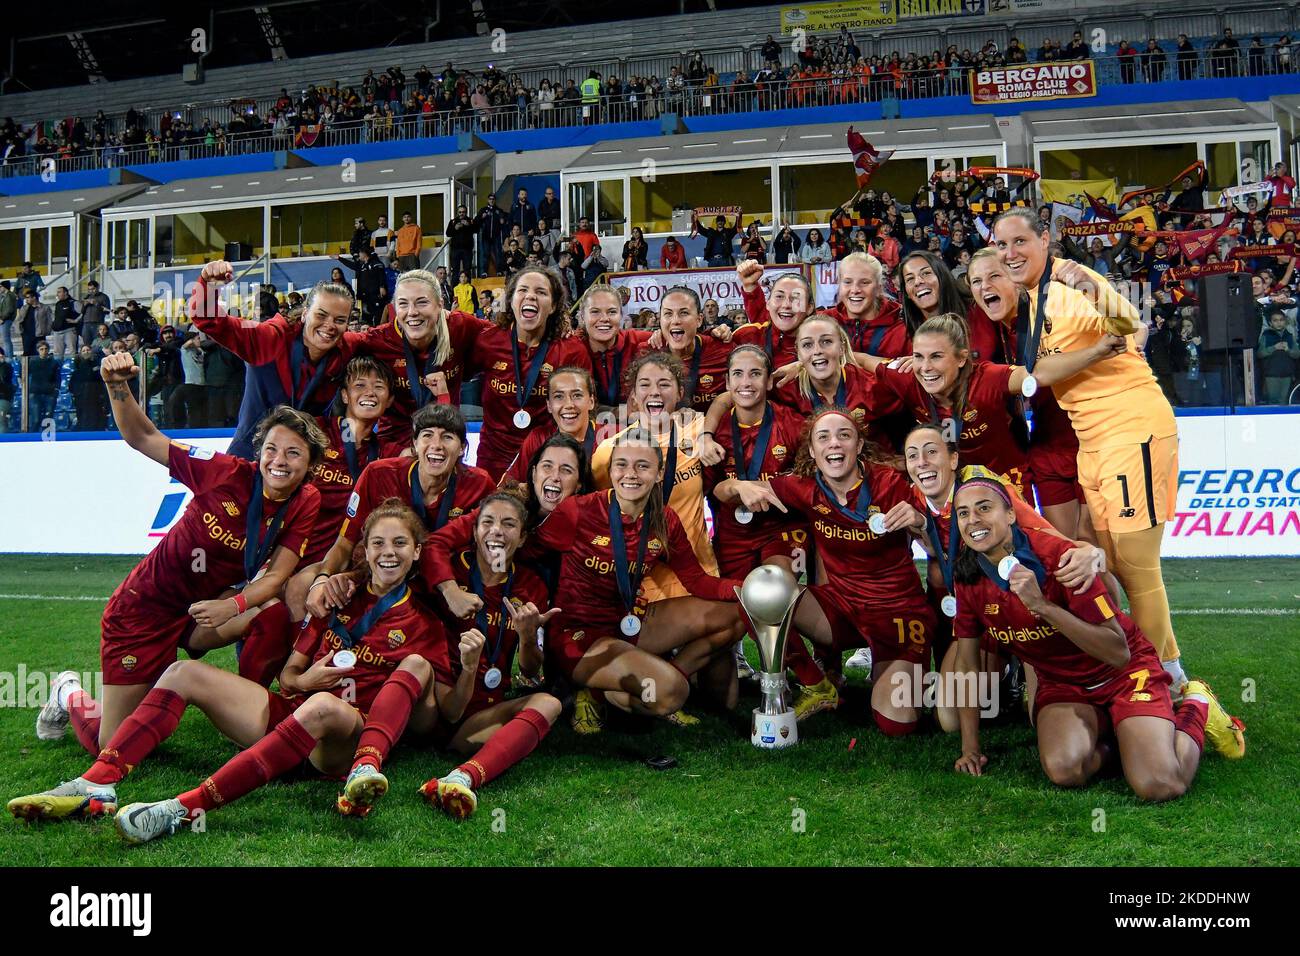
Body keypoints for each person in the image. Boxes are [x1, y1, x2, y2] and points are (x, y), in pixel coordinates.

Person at [10, 499, 449, 836]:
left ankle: (181, 808)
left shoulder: (426, 625)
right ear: (365, 551)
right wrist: (306, 679)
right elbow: (290, 677)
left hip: (343, 739)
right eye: (377, 543)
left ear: (416, 553)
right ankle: (96, 780)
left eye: (399, 544)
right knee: (183, 673)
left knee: (322, 708)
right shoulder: (334, 597)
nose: (387, 552)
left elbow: (427, 723)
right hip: (292, 713)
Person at [30, 351, 324, 757]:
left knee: (270, 610)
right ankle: (68, 692)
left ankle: (246, 715)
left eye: (294, 453)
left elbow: (277, 578)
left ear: (309, 466)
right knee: (112, 745)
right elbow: (144, 437)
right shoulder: (223, 472)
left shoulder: (306, 499)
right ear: (259, 453)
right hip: (144, 610)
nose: (279, 461)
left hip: (202, 610)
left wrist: (232, 606)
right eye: (272, 449)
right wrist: (118, 386)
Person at [991, 208, 1225, 711]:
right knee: (1112, 560)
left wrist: (1096, 293)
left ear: (1046, 239)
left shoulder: (1072, 283)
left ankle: (1170, 678)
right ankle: (1148, 669)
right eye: (1000, 244)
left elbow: (1130, 324)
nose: (1009, 253)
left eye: (1019, 242)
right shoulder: (1032, 300)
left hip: (1131, 428)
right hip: (1093, 440)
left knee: (1137, 566)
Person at [948, 476, 1244, 797]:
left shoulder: (1062, 559)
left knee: (1160, 784)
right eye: (963, 513)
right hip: (1063, 686)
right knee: (1065, 770)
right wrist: (970, 747)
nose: (973, 519)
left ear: (1010, 515)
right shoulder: (967, 575)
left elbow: (1118, 652)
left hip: (1124, 674)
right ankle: (1130, 739)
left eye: (984, 508)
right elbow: (967, 665)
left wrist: (1043, 607)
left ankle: (1195, 704)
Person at [713, 407, 932, 730]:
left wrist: (921, 522)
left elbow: (939, 547)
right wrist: (738, 486)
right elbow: (721, 493)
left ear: (858, 446)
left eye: (844, 435)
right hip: (841, 610)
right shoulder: (803, 486)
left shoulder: (891, 483)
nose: (834, 444)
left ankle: (916, 678)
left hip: (898, 615)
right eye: (823, 437)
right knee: (758, 593)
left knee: (895, 724)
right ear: (812, 451)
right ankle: (817, 684)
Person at [513, 427, 745, 731]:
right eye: (621, 464)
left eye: (643, 465)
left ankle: (641, 682)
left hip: (629, 623)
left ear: (660, 473)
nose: (630, 474)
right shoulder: (576, 511)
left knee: (737, 613)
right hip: (579, 637)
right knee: (672, 693)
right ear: (610, 470)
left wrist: (746, 589)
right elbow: (526, 553)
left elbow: (697, 581)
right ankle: (604, 689)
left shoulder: (664, 519)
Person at [415, 493, 561, 819]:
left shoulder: (531, 585)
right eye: (488, 522)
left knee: (549, 703)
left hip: (479, 717)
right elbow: (424, 553)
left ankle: (461, 777)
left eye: (509, 524)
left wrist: (526, 638)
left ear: (522, 538)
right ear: (475, 531)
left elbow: (530, 669)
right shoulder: (450, 574)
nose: (497, 531)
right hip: (440, 706)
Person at [189, 266, 362, 459]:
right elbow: (210, 321)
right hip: (251, 459)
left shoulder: (347, 347)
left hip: (305, 465)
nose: (329, 326)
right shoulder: (271, 338)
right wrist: (208, 285)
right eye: (321, 315)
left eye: (339, 320)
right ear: (305, 314)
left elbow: (383, 338)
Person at [461, 266, 592, 482]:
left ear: (553, 306)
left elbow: (584, 408)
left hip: (548, 458)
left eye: (541, 292)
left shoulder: (571, 349)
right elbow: (458, 373)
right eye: (522, 290)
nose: (530, 295)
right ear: (511, 300)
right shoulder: (489, 341)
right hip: (493, 459)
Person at [642, 286, 733, 413]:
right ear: (660, 319)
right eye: (668, 314)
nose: (675, 321)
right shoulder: (647, 352)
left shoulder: (722, 348)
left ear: (699, 320)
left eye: (684, 313)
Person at [898, 250, 1001, 361]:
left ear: (943, 277)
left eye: (926, 273)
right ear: (906, 293)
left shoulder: (982, 312)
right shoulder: (904, 335)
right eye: (910, 279)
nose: (918, 281)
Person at [501, 365, 597, 484]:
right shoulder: (538, 439)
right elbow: (509, 487)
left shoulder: (611, 438)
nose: (568, 405)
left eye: (577, 395)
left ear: (591, 401)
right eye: (558, 396)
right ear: (549, 406)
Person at [575, 283, 650, 407]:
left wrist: (660, 335)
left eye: (612, 312)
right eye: (595, 312)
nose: (604, 318)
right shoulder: (571, 348)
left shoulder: (637, 340)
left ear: (620, 315)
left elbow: (674, 337)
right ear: (582, 316)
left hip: (633, 423)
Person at [731, 260, 813, 368]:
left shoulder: (825, 340)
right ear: (768, 304)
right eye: (779, 296)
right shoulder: (747, 336)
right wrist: (717, 333)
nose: (786, 305)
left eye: (796, 298)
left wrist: (804, 368)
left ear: (809, 308)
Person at [1257, 308, 1298, 404]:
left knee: (1285, 402)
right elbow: (1260, 353)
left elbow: (1297, 354)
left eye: (1281, 320)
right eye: (1275, 320)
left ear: (1285, 321)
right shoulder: (1266, 336)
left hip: (1287, 375)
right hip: (1271, 376)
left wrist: (1288, 350)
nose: (1279, 323)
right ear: (1270, 323)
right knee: (1272, 402)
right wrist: (1273, 348)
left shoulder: (1289, 335)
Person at [339, 247, 388, 326]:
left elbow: (381, 275)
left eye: (360, 253)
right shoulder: (361, 265)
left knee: (378, 315)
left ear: (364, 253)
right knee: (366, 316)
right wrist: (339, 258)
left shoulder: (376, 263)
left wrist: (382, 286)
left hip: (375, 295)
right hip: (365, 296)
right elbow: (351, 265)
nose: (359, 255)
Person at [26, 340, 61, 430]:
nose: (44, 351)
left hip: (49, 394)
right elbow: (22, 374)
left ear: (48, 350)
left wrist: (56, 390)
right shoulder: (32, 362)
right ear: (38, 350)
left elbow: (58, 378)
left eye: (46, 349)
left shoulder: (54, 363)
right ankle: (32, 440)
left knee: (48, 419)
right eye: (41, 349)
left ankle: (47, 440)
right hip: (35, 394)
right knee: (36, 419)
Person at [474, 194, 509, 277]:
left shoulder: (499, 211)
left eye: (493, 199)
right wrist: (481, 217)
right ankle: (484, 272)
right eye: (490, 199)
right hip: (486, 236)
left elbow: (505, 219)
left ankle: (499, 271)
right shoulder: (483, 210)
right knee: (485, 254)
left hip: (496, 236)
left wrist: (503, 220)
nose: (492, 200)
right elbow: (476, 220)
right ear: (488, 200)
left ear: (495, 200)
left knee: (498, 254)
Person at [446, 205, 476, 279]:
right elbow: (448, 233)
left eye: (463, 212)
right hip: (455, 249)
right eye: (460, 212)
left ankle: (468, 287)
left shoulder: (470, 221)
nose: (461, 214)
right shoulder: (453, 221)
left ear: (466, 212)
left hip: (467, 249)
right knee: (455, 270)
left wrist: (468, 225)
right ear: (457, 212)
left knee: (467, 270)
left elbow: (476, 230)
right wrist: (455, 228)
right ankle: (454, 288)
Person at [49, 287, 80, 358]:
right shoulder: (58, 304)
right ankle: (58, 368)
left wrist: (76, 320)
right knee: (57, 354)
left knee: (72, 352)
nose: (57, 294)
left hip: (69, 331)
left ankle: (73, 367)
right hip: (57, 332)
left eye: (59, 292)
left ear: (65, 293)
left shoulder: (73, 302)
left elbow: (83, 313)